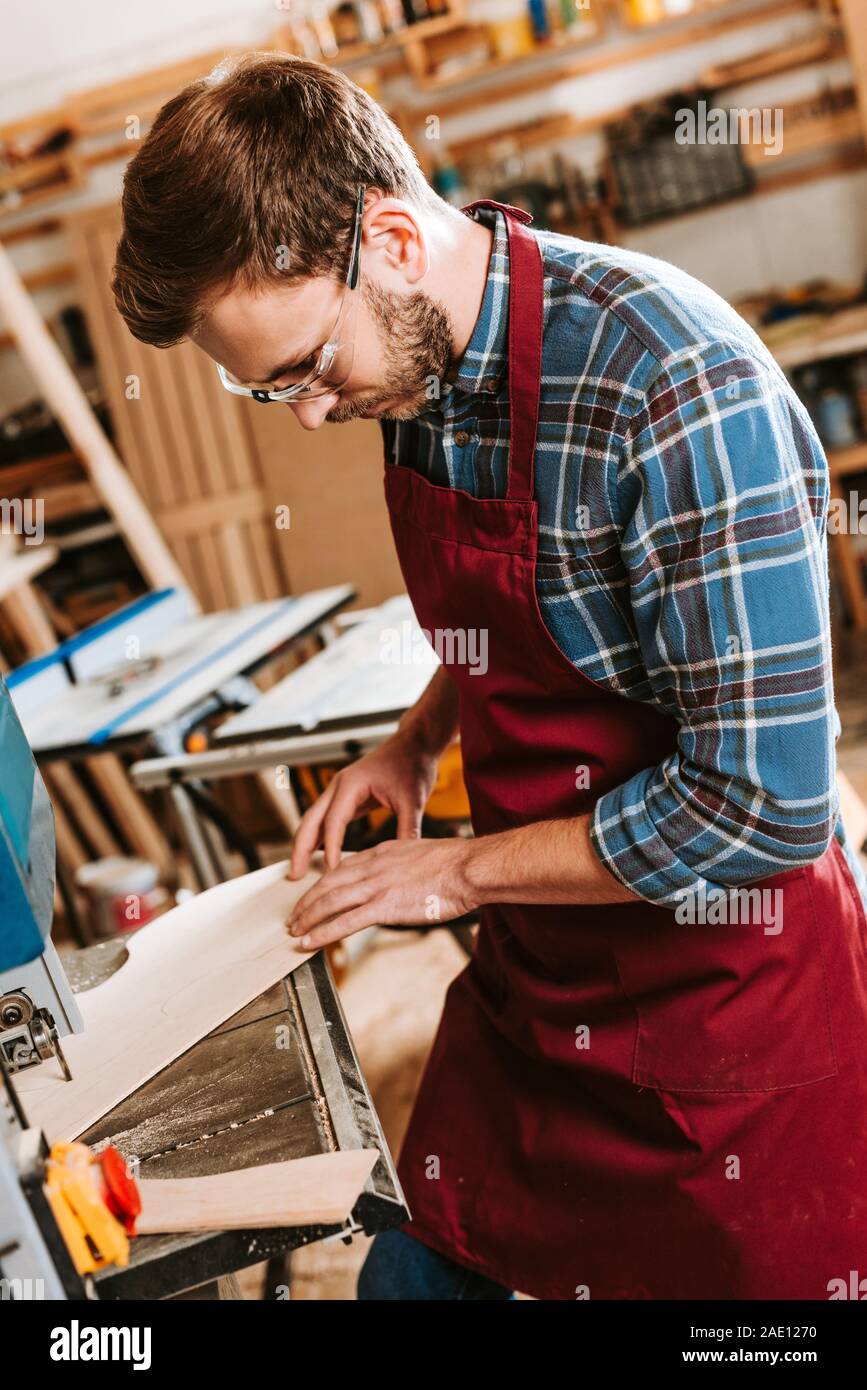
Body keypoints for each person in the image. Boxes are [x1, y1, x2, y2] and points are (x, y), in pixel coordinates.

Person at [113, 52, 867, 1301]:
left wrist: (452, 868)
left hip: (727, 1019)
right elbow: (535, 618)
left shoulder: (674, 394)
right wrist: (416, 740)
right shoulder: (418, 366)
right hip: (549, 984)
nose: (305, 415)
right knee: (402, 1285)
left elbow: (765, 810)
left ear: (394, 237)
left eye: (304, 366)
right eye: (264, 389)